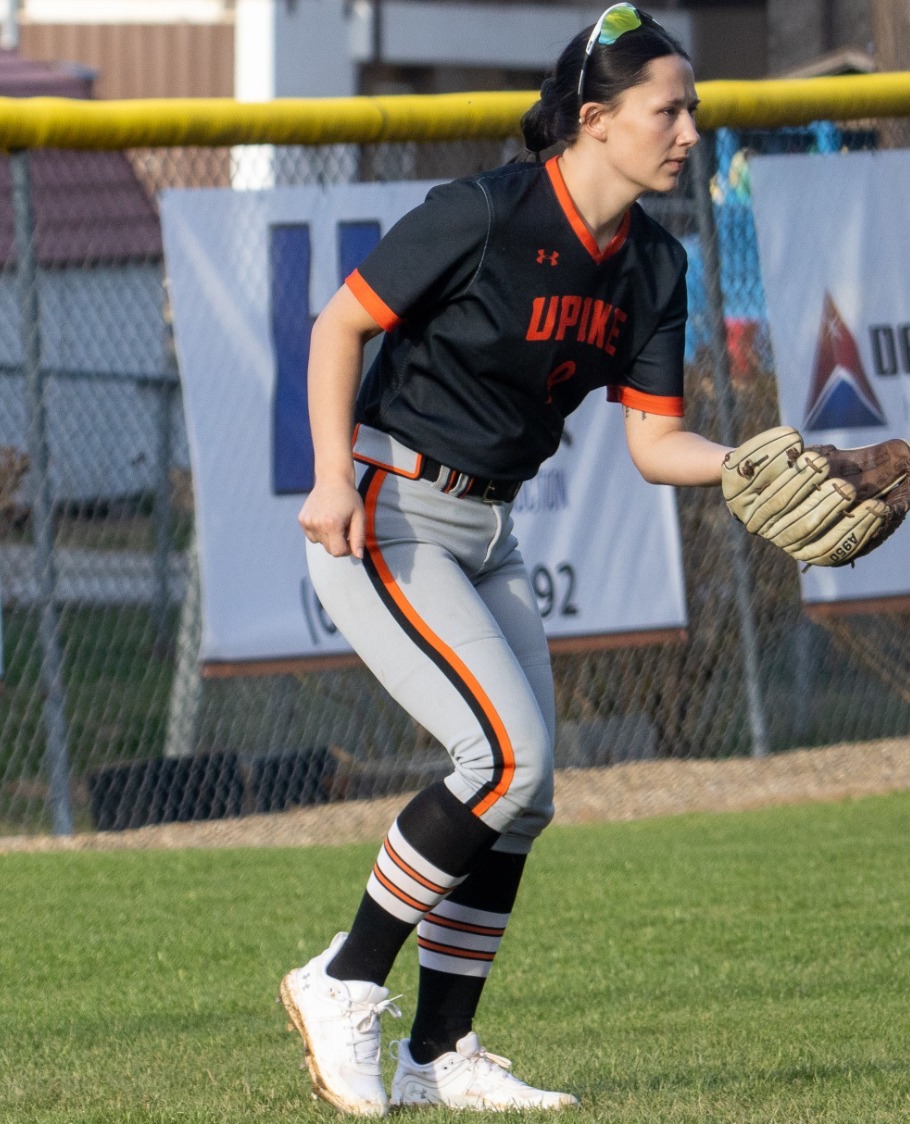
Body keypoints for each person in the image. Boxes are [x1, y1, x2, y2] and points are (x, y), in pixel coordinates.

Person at [277, 4, 730, 1115]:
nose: (686, 133)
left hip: (489, 528)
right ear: (595, 118)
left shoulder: (653, 265)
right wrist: (330, 471)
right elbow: (339, 325)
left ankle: (439, 1052)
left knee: (524, 797)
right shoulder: (484, 211)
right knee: (502, 755)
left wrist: (758, 460)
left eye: (692, 112)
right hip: (387, 508)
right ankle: (339, 979)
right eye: (667, 111)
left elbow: (654, 441)